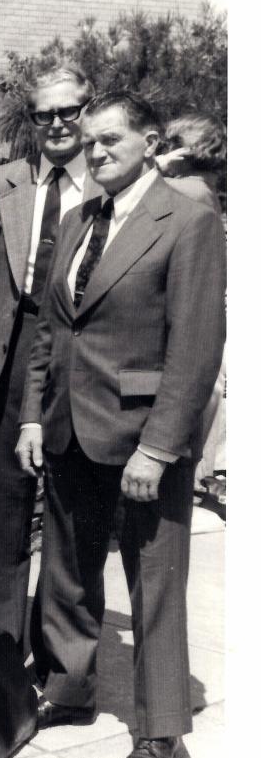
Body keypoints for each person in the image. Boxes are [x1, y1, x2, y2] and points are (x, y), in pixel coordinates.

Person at [17, 91, 225, 758]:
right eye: (91, 142)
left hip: (143, 436)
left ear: (150, 143)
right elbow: (52, 331)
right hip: (69, 426)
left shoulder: (189, 221)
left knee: (154, 582)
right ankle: (69, 687)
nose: (97, 151)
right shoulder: (78, 219)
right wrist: (33, 415)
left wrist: (159, 449)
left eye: (111, 139)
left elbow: (195, 347)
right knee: (67, 571)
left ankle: (160, 727)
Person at [0, 65, 96, 643]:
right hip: (12, 349)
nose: (57, 124)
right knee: (4, 502)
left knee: (69, 507)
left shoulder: (106, 183)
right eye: (44, 114)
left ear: (87, 111)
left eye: (69, 111)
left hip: (78, 350)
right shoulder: (5, 182)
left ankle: (55, 647)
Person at [156, 113, 226, 501]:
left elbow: (118, 193)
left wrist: (155, 166)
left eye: (168, 144)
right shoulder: (204, 191)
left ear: (182, 151)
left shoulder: (184, 190)